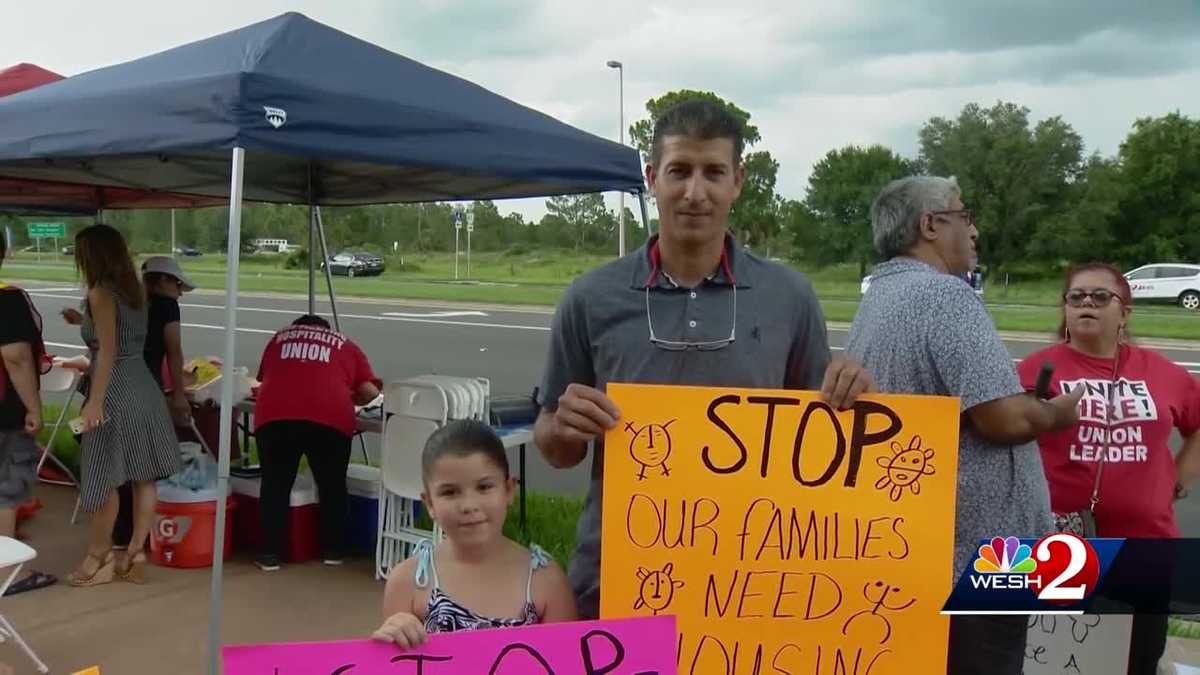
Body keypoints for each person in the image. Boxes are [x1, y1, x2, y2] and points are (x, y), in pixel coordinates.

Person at [533, 99, 873, 620]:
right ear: (652, 178)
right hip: (617, 576)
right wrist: (564, 428)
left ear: (737, 180)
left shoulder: (790, 297)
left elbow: (822, 436)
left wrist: (854, 397)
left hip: (750, 582)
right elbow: (555, 448)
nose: (695, 192)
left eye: (713, 172)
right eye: (679, 171)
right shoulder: (589, 298)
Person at [845, 176, 1083, 674]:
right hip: (983, 555)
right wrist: (1057, 413)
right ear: (930, 224)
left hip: (915, 547)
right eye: (964, 214)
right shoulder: (947, 297)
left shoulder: (877, 297)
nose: (974, 230)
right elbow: (1001, 418)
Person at [1017, 262, 1200, 675]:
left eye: (1101, 297)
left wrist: (1177, 481)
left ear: (1125, 312)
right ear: (1065, 309)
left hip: (1146, 547)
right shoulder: (1034, 370)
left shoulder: (1163, 373)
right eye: (1076, 297)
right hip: (1058, 546)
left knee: (1137, 660)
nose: (1087, 304)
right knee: (1058, 662)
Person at [373, 420, 576, 647]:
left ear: (509, 490)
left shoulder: (545, 580)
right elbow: (395, 666)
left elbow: (565, 661)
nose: (469, 505)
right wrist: (394, 634)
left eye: (484, 487)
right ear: (429, 503)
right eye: (450, 492)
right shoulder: (408, 582)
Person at [67, 224, 181, 587]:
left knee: (102, 477)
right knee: (143, 476)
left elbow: (107, 352)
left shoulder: (100, 293)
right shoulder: (136, 293)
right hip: (144, 386)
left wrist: (95, 402)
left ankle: (97, 555)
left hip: (115, 388)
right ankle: (135, 553)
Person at [252, 314, 381, 571]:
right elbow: (370, 393)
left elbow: (264, 377)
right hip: (329, 418)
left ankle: (269, 554)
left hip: (276, 416)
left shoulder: (279, 338)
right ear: (326, 330)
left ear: (297, 327)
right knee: (332, 485)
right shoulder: (345, 344)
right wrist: (349, 396)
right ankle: (333, 551)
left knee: (275, 485)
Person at [106, 256, 194, 554]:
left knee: (119, 462)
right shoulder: (165, 306)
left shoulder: (125, 302)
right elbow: (174, 351)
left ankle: (120, 533)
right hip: (145, 389)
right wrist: (179, 394)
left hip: (115, 387)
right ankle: (139, 540)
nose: (180, 292)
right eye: (178, 284)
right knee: (144, 467)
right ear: (163, 281)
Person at [0, 233, 57, 595]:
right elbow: (16, 357)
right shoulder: (8, 299)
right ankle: (11, 574)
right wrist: (34, 408)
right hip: (5, 412)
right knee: (7, 490)